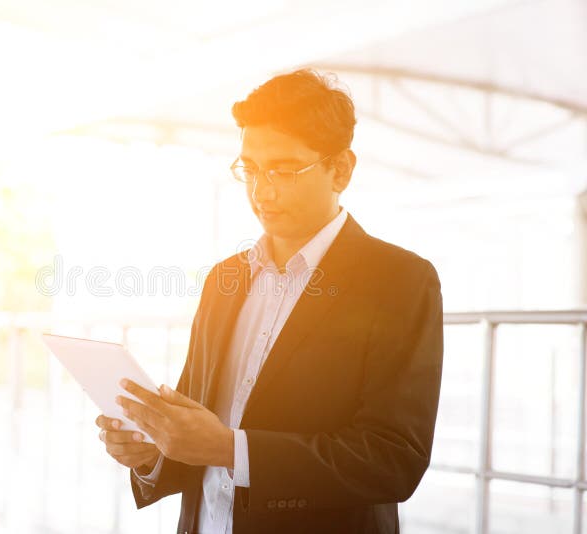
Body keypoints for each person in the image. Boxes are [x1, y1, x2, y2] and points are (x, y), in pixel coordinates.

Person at [94, 69, 444, 533]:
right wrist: (154, 450)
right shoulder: (225, 279)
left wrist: (229, 448)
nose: (260, 191)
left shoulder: (399, 280)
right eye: (250, 170)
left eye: (282, 169)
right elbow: (199, 434)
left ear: (340, 169)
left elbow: (392, 460)